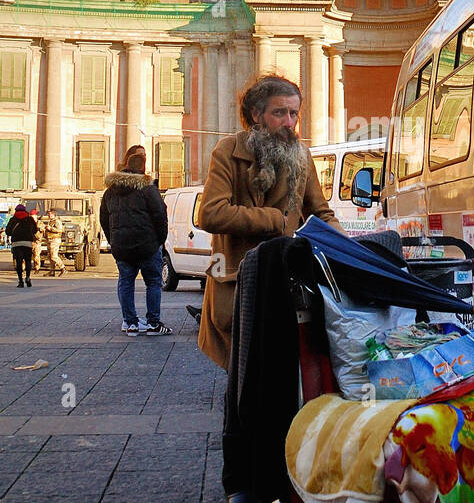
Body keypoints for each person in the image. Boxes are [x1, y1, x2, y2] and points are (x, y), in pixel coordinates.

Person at [197, 74, 340, 371]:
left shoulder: (301, 155)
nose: (289, 122)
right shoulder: (227, 151)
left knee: (282, 381)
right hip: (236, 284)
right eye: (279, 113)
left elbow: (321, 213)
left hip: (285, 283)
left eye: (294, 113)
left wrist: (345, 247)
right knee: (243, 383)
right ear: (257, 115)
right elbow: (210, 213)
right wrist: (274, 219)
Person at [100, 145, 171, 336]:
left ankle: (130, 323)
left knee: (125, 282)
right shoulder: (148, 189)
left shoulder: (110, 192)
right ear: (142, 167)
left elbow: (104, 219)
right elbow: (160, 215)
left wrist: (114, 240)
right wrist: (159, 240)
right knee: (154, 282)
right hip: (148, 246)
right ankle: (153, 324)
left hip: (122, 247)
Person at [4, 204, 37, 288]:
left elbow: (8, 232)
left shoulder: (13, 219)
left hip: (16, 243)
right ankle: (28, 277)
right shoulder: (30, 219)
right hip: (27, 243)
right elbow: (35, 230)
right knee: (28, 261)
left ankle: (20, 281)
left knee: (19, 262)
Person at [40, 208, 65, 277]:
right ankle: (52, 271)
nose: (49, 215)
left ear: (54, 214)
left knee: (54, 256)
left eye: (50, 214)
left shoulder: (57, 222)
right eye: (48, 214)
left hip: (55, 240)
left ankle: (62, 267)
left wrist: (50, 229)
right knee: (50, 256)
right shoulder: (50, 221)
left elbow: (60, 230)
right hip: (49, 240)